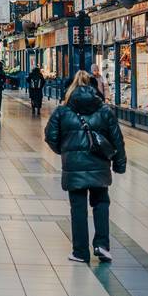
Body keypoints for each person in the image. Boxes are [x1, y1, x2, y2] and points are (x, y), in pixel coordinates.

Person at [45, 69, 126, 264]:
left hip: (74, 168)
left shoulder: (62, 111)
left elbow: (50, 137)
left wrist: (64, 151)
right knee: (101, 204)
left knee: (78, 208)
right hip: (99, 166)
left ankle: (80, 251)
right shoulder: (105, 111)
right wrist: (120, 164)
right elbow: (117, 139)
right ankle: (102, 246)